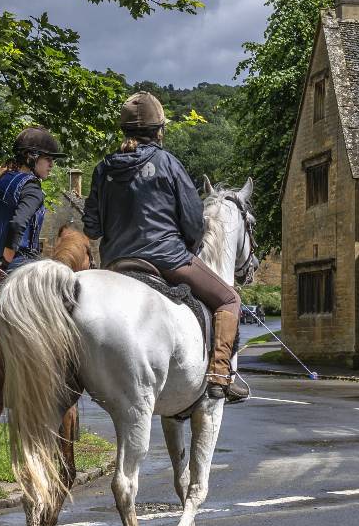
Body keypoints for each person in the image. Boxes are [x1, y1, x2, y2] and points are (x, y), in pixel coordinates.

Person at [84, 91, 246, 403]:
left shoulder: (104, 168)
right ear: (159, 130)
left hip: (116, 263)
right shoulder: (167, 163)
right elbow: (195, 223)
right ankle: (221, 374)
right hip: (167, 259)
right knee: (229, 299)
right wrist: (188, 245)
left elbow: (92, 227)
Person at [0, 126, 65, 274]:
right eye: (48, 159)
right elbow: (17, 224)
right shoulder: (32, 187)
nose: (51, 165)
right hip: (18, 265)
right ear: (31, 157)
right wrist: (5, 261)